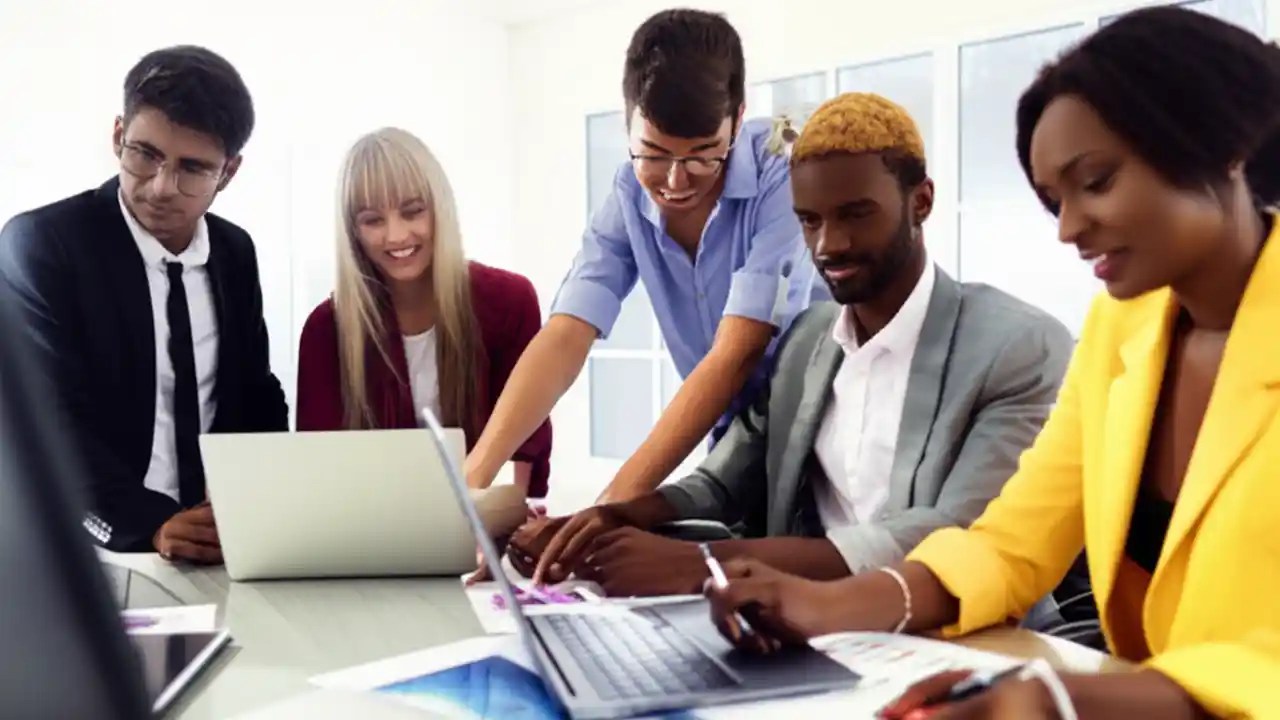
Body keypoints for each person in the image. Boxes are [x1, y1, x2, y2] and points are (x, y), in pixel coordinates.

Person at [704, 7, 1280, 718]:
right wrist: (834, 603)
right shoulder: (1122, 329)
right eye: (1054, 200)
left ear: (1224, 146)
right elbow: (1014, 541)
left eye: (1096, 181)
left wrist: (1063, 700)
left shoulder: (1024, 340)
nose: (1069, 228)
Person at [506, 93, 1075, 596]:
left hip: (973, 644)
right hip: (808, 630)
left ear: (920, 203)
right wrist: (612, 518)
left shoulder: (1018, 346)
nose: (828, 245)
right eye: (809, 221)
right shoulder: (806, 340)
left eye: (855, 216)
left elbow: (951, 534)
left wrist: (707, 564)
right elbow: (723, 482)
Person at [463, 9, 819, 505]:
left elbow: (737, 353)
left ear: (737, 119)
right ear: (626, 120)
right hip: (728, 448)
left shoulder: (783, 170)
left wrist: (609, 506)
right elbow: (566, 335)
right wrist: (472, 479)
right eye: (652, 153)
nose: (675, 182)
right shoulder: (627, 194)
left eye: (702, 154)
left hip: (820, 438)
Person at [0, 46, 288, 562]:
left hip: (218, 546)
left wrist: (253, 504)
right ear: (117, 135)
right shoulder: (43, 245)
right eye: (145, 154)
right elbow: (49, 425)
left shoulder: (234, 252)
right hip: (94, 547)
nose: (161, 187)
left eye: (193, 169)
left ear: (229, 172)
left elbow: (255, 396)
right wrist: (151, 525)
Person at [295, 128, 552, 496]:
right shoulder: (327, 329)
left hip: (484, 521)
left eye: (413, 212)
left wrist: (490, 532)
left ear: (439, 208)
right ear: (352, 231)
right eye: (373, 220)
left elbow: (521, 448)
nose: (396, 236)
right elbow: (320, 468)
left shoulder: (508, 301)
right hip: (369, 533)